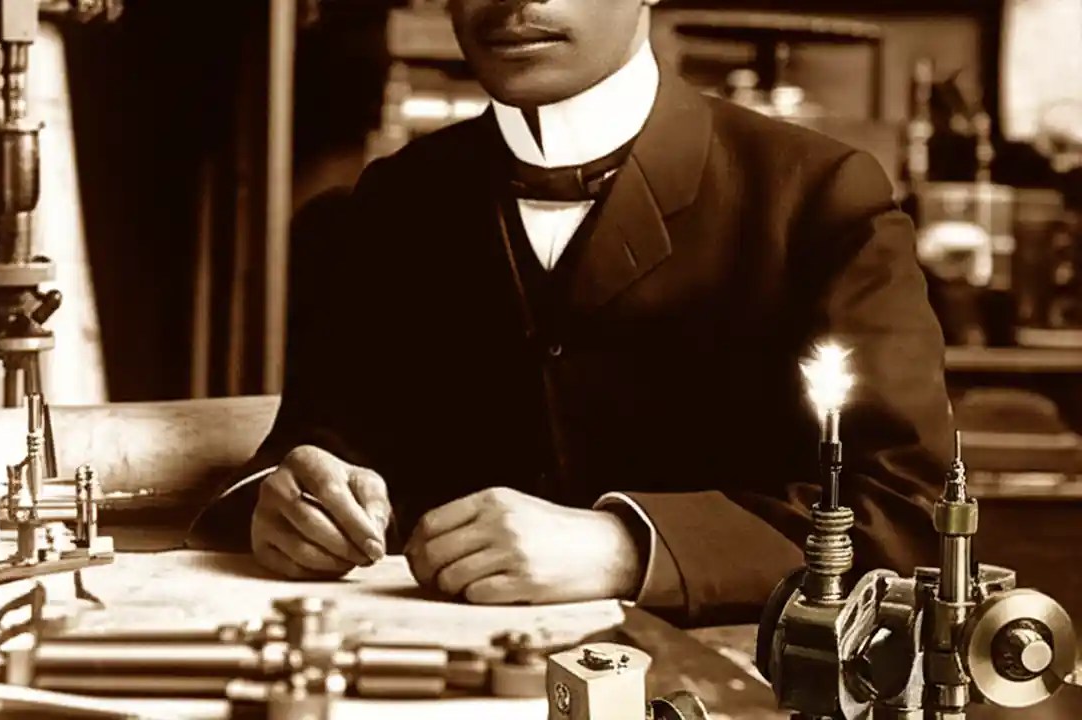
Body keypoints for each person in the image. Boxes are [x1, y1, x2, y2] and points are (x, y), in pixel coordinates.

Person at [187, 0, 954, 627]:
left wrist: (628, 547)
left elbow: (903, 516)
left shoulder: (817, 197)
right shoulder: (394, 200)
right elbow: (309, 447)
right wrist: (288, 506)